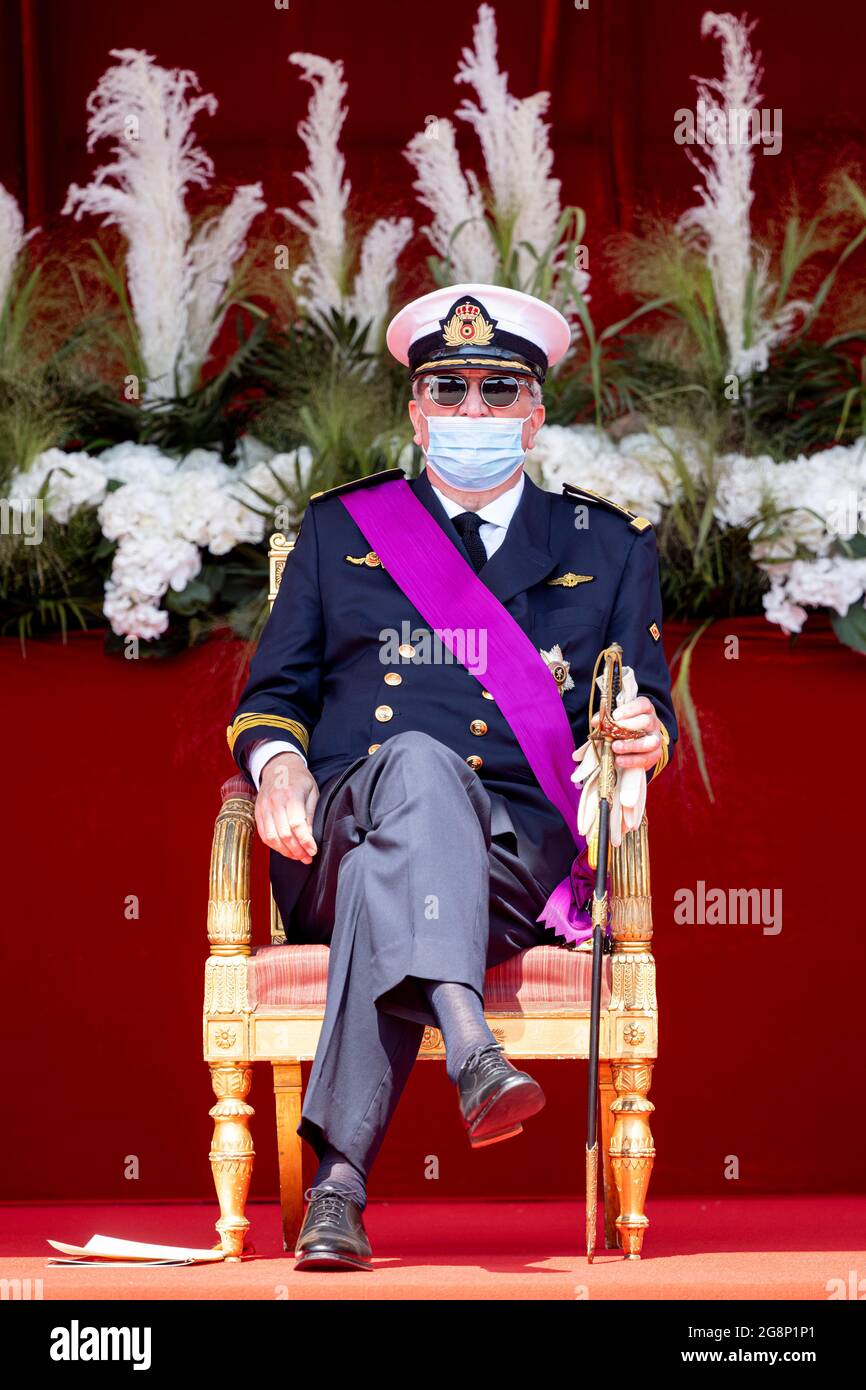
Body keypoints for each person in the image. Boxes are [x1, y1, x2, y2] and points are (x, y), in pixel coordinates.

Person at [226, 283, 678, 1271]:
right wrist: (279, 767)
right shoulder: (340, 531)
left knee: (416, 847)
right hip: (338, 834)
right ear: (415, 408)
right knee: (416, 770)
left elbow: (642, 706)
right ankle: (469, 1043)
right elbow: (270, 698)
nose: (472, 411)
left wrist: (643, 732)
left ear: (534, 410)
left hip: (515, 854)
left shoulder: (606, 546)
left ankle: (339, 1188)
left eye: (496, 388)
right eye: (449, 388)